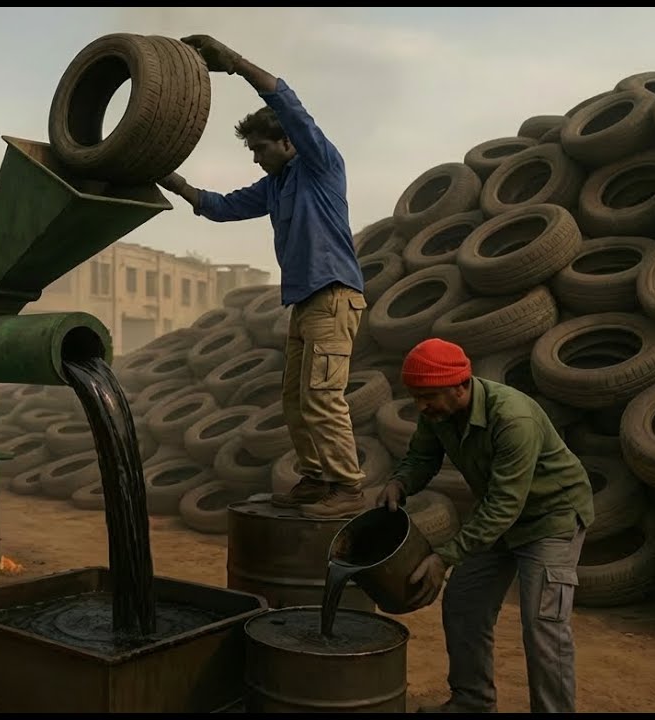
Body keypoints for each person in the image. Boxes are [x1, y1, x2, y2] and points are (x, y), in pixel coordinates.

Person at [159, 35, 368, 520]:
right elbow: (223, 207)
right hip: (305, 301)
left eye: (260, 148)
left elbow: (288, 103)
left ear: (288, 142)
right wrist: (174, 181)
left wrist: (233, 63)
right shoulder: (274, 187)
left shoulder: (320, 167)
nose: (255, 157)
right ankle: (317, 478)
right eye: (251, 150)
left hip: (333, 295)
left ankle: (348, 486)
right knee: (296, 401)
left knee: (321, 395)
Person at [377, 338, 595, 714]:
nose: (420, 405)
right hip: (499, 518)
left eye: (427, 396)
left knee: (543, 624)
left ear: (461, 385)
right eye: (414, 396)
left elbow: (505, 503)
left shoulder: (512, 418)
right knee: (464, 602)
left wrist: (444, 557)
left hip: (550, 518)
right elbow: (421, 457)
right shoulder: (437, 414)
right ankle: (473, 701)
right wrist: (400, 482)